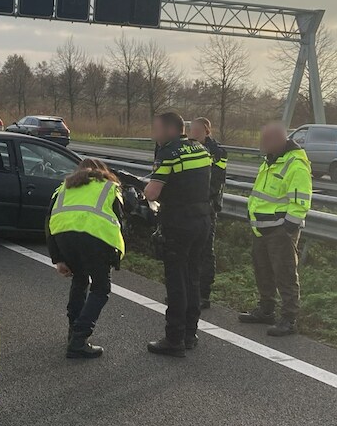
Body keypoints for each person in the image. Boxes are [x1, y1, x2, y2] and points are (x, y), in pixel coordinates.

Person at [143, 112, 213, 357]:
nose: (154, 134)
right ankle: (190, 334)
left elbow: (152, 193)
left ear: (171, 129)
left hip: (178, 223)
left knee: (176, 281)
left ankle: (173, 339)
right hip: (202, 221)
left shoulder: (169, 152)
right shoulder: (200, 149)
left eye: (156, 129)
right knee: (192, 277)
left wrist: (143, 187)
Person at [45, 158, 126, 359]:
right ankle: (79, 339)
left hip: (63, 236)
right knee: (101, 287)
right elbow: (119, 222)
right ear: (102, 171)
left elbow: (48, 221)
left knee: (80, 279)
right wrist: (114, 256)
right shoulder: (109, 187)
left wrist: (58, 258)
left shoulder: (64, 188)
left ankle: (73, 331)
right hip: (95, 237)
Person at [239, 122, 312, 336]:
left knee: (285, 274)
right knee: (263, 270)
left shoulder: (295, 163)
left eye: (265, 139)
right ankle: (266, 309)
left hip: (279, 230)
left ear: (279, 140)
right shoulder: (271, 160)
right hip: (262, 228)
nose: (261, 143)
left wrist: (287, 227)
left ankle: (289, 319)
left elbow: (300, 201)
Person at [189, 117, 228, 307]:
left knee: (205, 251)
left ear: (206, 130)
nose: (192, 133)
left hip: (208, 206)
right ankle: (189, 291)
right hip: (191, 206)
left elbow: (217, 180)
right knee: (189, 249)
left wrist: (200, 197)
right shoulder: (190, 148)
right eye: (191, 129)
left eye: (196, 129)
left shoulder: (218, 152)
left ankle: (203, 294)